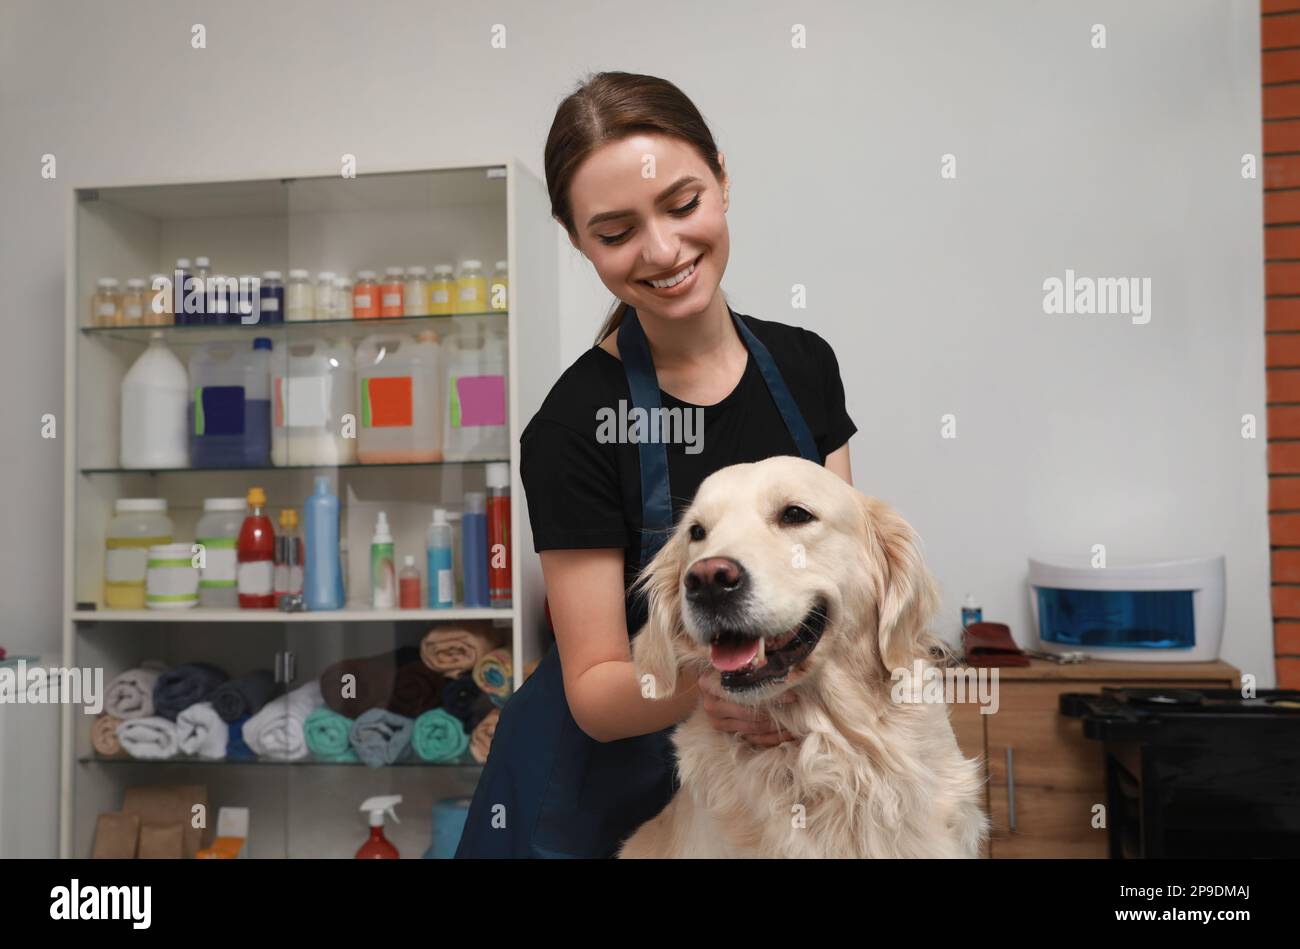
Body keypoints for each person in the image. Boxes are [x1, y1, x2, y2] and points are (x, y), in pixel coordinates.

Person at [454, 71, 857, 858]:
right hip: (601, 791)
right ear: (578, 242)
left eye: (682, 204)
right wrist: (724, 686)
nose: (664, 250)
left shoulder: (806, 367)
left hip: (767, 778)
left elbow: (843, 577)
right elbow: (601, 688)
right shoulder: (573, 425)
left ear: (722, 179)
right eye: (615, 232)